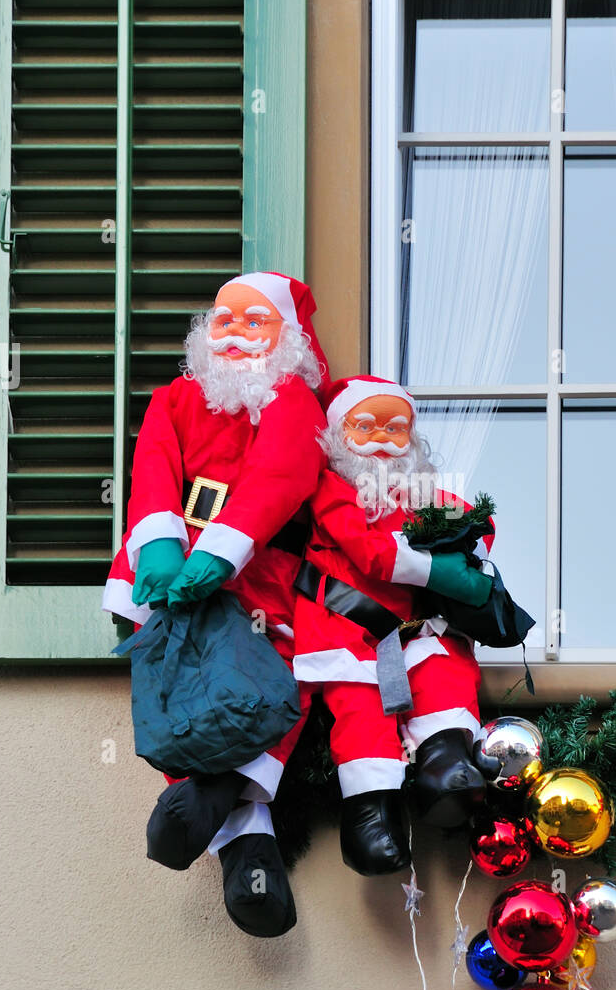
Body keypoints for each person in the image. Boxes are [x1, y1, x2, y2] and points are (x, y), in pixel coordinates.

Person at [102, 271, 329, 937]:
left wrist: (221, 551)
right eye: (223, 321)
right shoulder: (177, 397)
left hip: (256, 568)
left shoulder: (292, 401)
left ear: (287, 337)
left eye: (252, 322)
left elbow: (280, 475)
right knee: (175, 674)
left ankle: (211, 797)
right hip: (167, 567)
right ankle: (237, 834)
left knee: (271, 682)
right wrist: (163, 546)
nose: (233, 334)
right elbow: (152, 468)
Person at [293, 376, 494, 876]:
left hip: (417, 630)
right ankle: (370, 819)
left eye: (396, 428)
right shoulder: (333, 490)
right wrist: (439, 568)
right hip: (348, 629)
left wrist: (474, 551)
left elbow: (477, 522)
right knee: (361, 711)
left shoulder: (419, 496)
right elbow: (371, 552)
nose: (383, 438)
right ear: (340, 436)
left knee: (445, 677)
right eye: (366, 427)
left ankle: (445, 767)